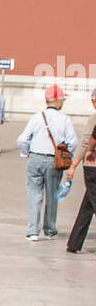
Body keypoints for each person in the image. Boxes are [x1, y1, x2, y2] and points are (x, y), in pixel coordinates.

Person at [16, 84, 78, 240]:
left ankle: (32, 231)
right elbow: (73, 142)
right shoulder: (65, 119)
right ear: (57, 101)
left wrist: (26, 152)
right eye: (62, 99)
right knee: (52, 195)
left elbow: (22, 139)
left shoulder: (37, 117)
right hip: (53, 161)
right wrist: (66, 154)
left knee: (34, 195)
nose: (63, 102)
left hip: (35, 158)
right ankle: (49, 229)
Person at [65, 86, 96, 253]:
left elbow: (86, 141)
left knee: (92, 202)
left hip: (92, 167)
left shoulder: (95, 118)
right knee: (88, 204)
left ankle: (74, 242)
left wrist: (73, 165)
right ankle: (74, 242)